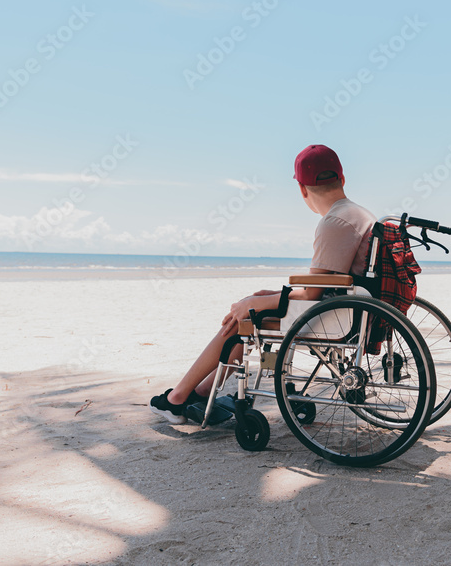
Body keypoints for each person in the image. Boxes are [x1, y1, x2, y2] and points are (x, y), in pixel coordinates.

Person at [150, 144, 376, 423]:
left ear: (302, 189)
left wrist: (253, 303)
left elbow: (313, 292)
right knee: (253, 304)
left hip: (334, 317)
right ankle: (202, 392)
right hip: (350, 308)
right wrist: (264, 296)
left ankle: (177, 398)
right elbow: (326, 284)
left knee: (242, 318)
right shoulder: (359, 213)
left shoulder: (334, 221)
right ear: (342, 178)